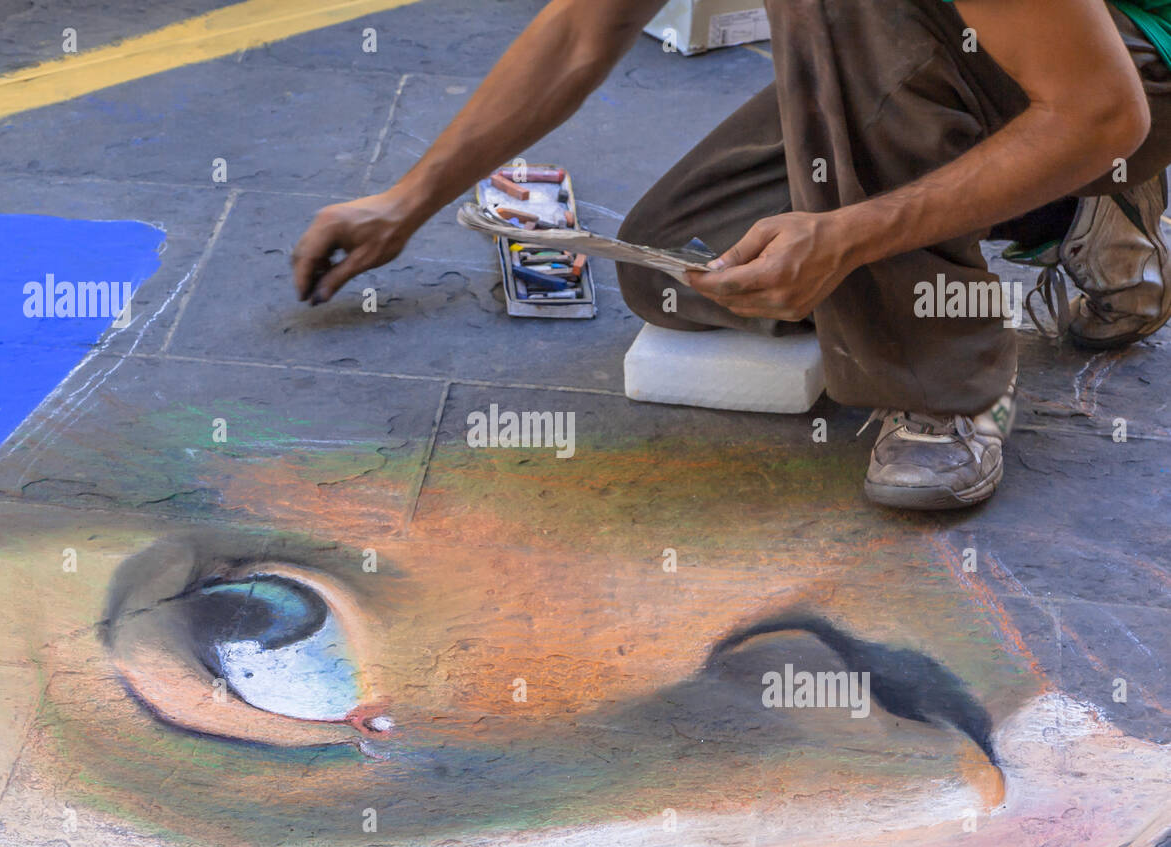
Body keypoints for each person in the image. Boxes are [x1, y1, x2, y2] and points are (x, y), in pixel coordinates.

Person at [291, 0, 1171, 510]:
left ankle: (939, 386)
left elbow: (1104, 112)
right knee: (677, 267)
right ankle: (1069, 204)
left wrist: (849, 236)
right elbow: (579, 32)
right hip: (1034, 74)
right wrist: (407, 198)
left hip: (1124, 82)